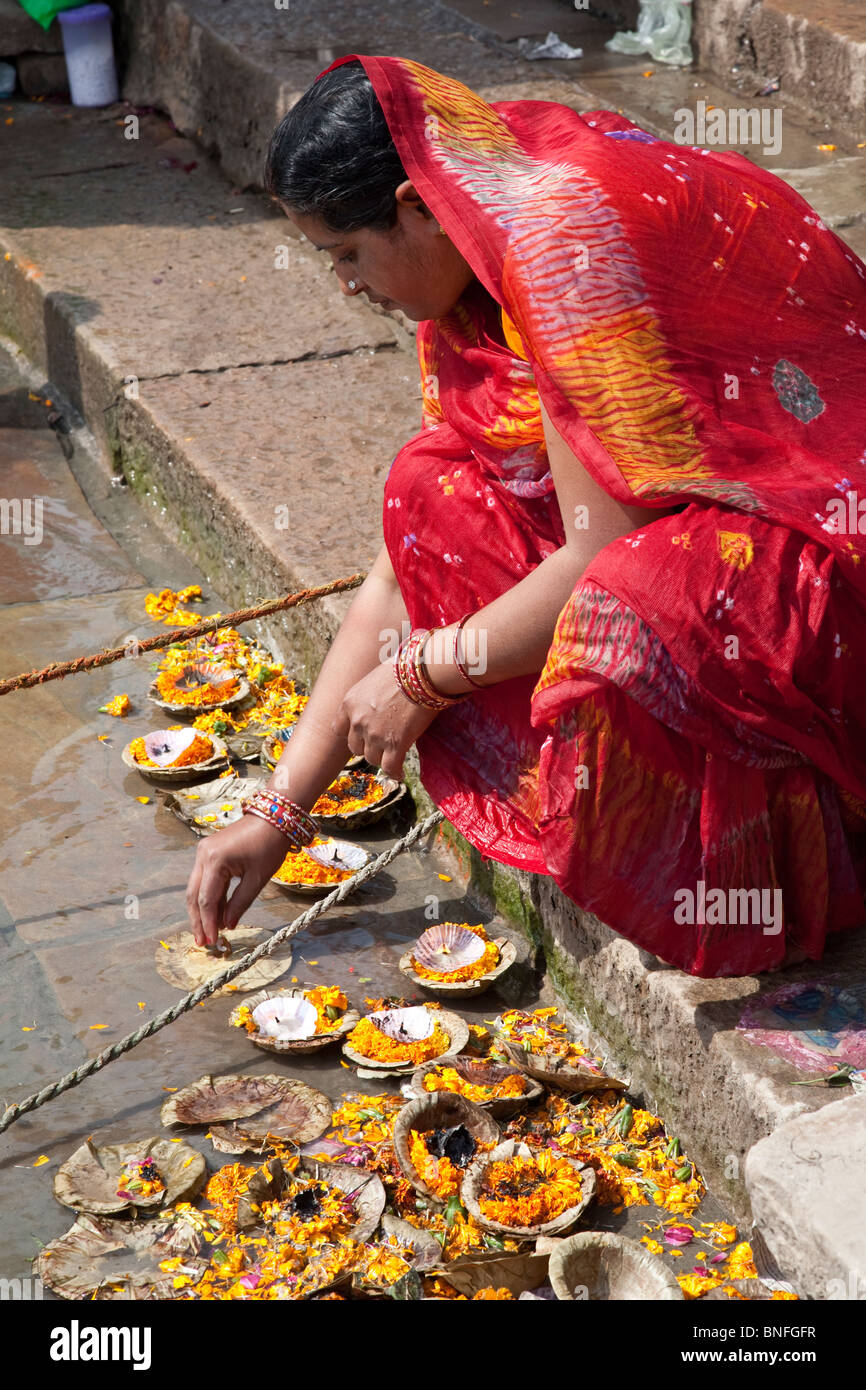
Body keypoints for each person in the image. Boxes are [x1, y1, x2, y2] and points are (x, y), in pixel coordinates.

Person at [186, 53, 866, 977]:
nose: (346, 284)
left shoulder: (557, 243)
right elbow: (403, 562)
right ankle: (588, 789)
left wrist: (426, 675)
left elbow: (604, 553)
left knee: (634, 602)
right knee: (429, 488)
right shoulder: (470, 232)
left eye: (347, 253)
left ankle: (768, 860)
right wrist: (278, 811)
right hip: (682, 513)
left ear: (412, 204)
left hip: (822, 528)